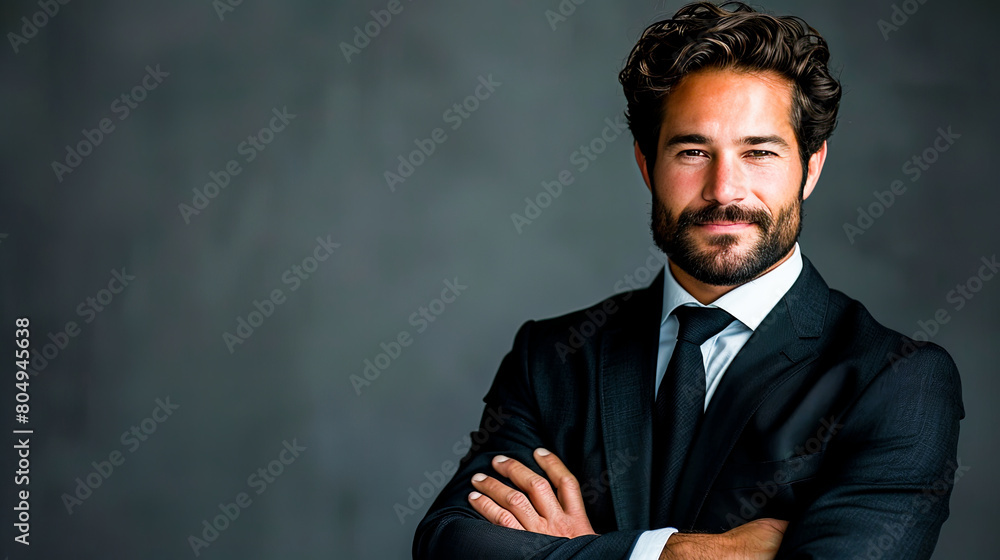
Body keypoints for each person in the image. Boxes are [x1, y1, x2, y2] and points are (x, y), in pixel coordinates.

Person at [413, 2, 964, 558]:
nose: (725, 189)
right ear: (647, 165)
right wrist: (669, 553)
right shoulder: (551, 359)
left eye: (759, 152)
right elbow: (450, 544)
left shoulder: (898, 380)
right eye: (694, 151)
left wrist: (586, 550)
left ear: (811, 167)